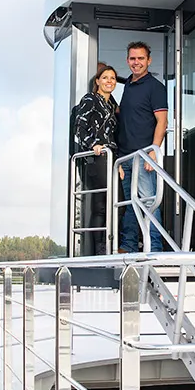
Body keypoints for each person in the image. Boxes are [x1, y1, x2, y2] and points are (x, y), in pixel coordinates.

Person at [116, 41, 167, 253]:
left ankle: (154, 248)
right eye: (133, 58)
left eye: (141, 58)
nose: (136, 62)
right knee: (130, 203)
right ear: (127, 60)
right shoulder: (128, 85)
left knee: (149, 203)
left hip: (144, 155)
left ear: (149, 60)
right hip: (125, 157)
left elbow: (162, 122)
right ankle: (129, 245)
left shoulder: (155, 87)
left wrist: (153, 150)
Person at [72, 64, 118, 255]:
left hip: (111, 158)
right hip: (97, 158)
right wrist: (93, 145)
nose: (109, 81)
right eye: (105, 77)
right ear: (97, 81)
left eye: (113, 78)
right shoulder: (90, 99)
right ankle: (99, 249)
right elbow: (79, 127)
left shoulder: (111, 105)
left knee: (116, 204)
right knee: (101, 205)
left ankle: (109, 245)